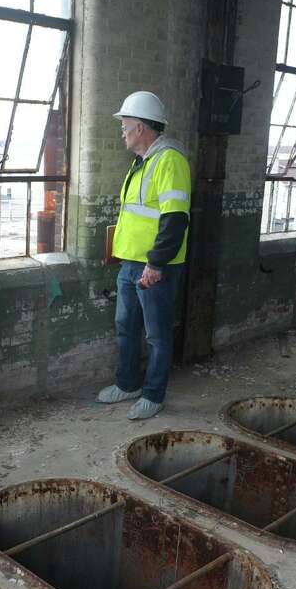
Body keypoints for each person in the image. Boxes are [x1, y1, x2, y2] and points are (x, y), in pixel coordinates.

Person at [96, 91, 191, 420]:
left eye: (124, 126)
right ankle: (127, 384)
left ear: (140, 128)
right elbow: (137, 215)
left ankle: (153, 394)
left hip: (154, 267)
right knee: (126, 325)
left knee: (156, 334)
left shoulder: (169, 161)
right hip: (130, 263)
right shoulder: (143, 162)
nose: (122, 132)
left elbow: (175, 218)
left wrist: (155, 264)